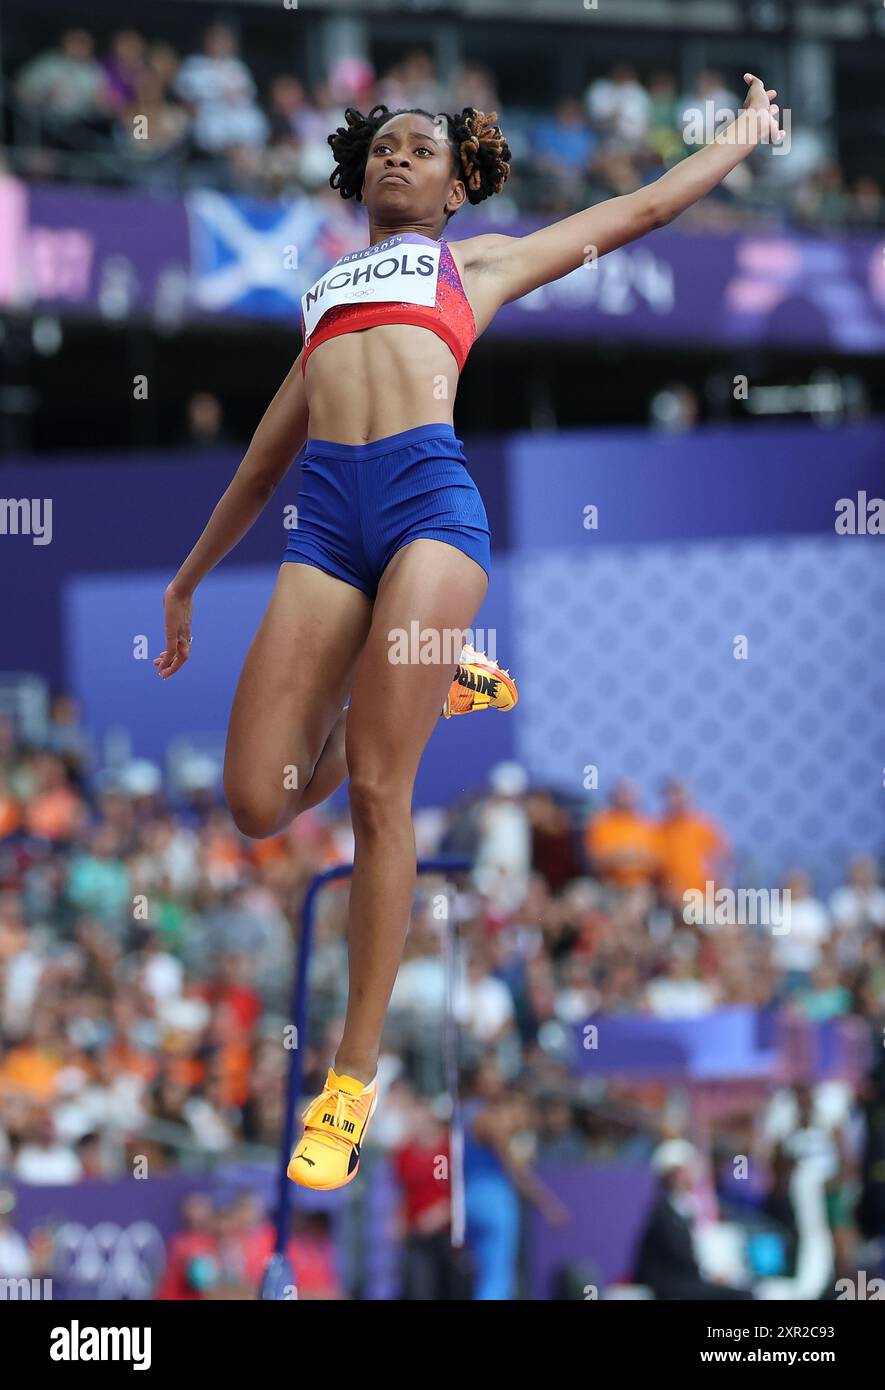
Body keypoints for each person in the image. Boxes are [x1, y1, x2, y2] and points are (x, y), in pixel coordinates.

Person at [157, 75, 783, 1192]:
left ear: (455, 190)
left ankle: (348, 1082)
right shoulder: (325, 293)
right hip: (330, 526)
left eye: (422, 149)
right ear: (361, 174)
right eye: (385, 145)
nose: (399, 156)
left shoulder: (472, 268)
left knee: (380, 793)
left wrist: (739, 135)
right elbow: (263, 461)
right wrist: (189, 582)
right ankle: (435, 680)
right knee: (258, 797)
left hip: (428, 512)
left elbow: (637, 210)